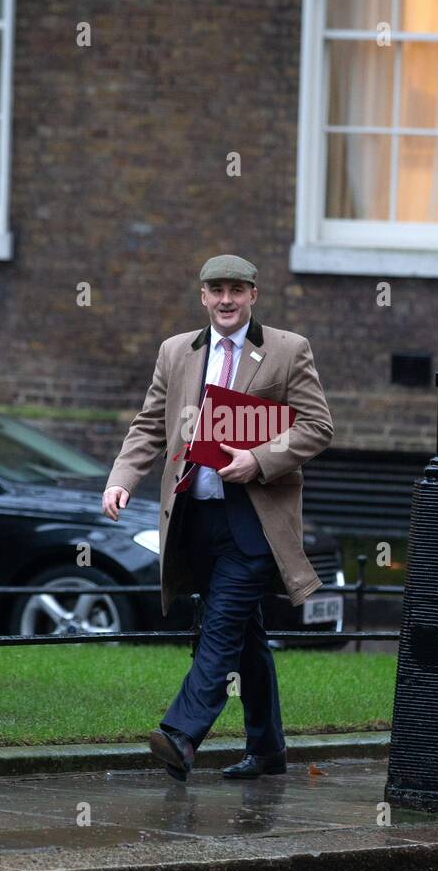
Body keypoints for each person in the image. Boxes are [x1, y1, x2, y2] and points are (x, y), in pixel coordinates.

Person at [101, 254, 333, 782]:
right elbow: (149, 427)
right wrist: (121, 479)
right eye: (215, 289)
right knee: (245, 638)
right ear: (202, 296)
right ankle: (269, 750)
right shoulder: (176, 351)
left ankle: (182, 735)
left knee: (220, 628)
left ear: (253, 294)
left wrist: (259, 459)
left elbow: (318, 427)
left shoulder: (288, 350)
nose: (226, 299)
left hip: (253, 522)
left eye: (236, 289)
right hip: (195, 519)